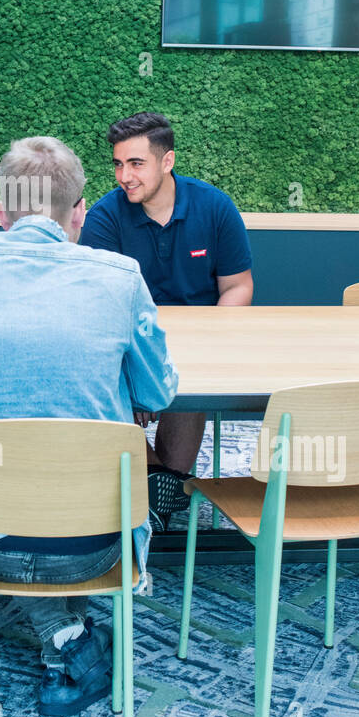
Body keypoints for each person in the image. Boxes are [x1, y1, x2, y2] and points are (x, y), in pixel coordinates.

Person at [0, 136, 177, 717]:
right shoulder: (123, 277)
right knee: (78, 483)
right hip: (94, 544)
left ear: (0, 212)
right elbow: (158, 393)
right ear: (79, 213)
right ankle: (68, 637)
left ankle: (67, 640)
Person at [79, 111, 252, 529]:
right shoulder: (104, 218)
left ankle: (163, 489)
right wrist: (135, 372)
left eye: (136, 163)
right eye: (118, 164)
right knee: (104, 383)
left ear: (167, 161)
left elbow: (238, 287)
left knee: (184, 389)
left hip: (195, 351)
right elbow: (97, 311)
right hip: (128, 347)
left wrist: (209, 341)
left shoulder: (213, 207)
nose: (124, 175)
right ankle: (157, 483)